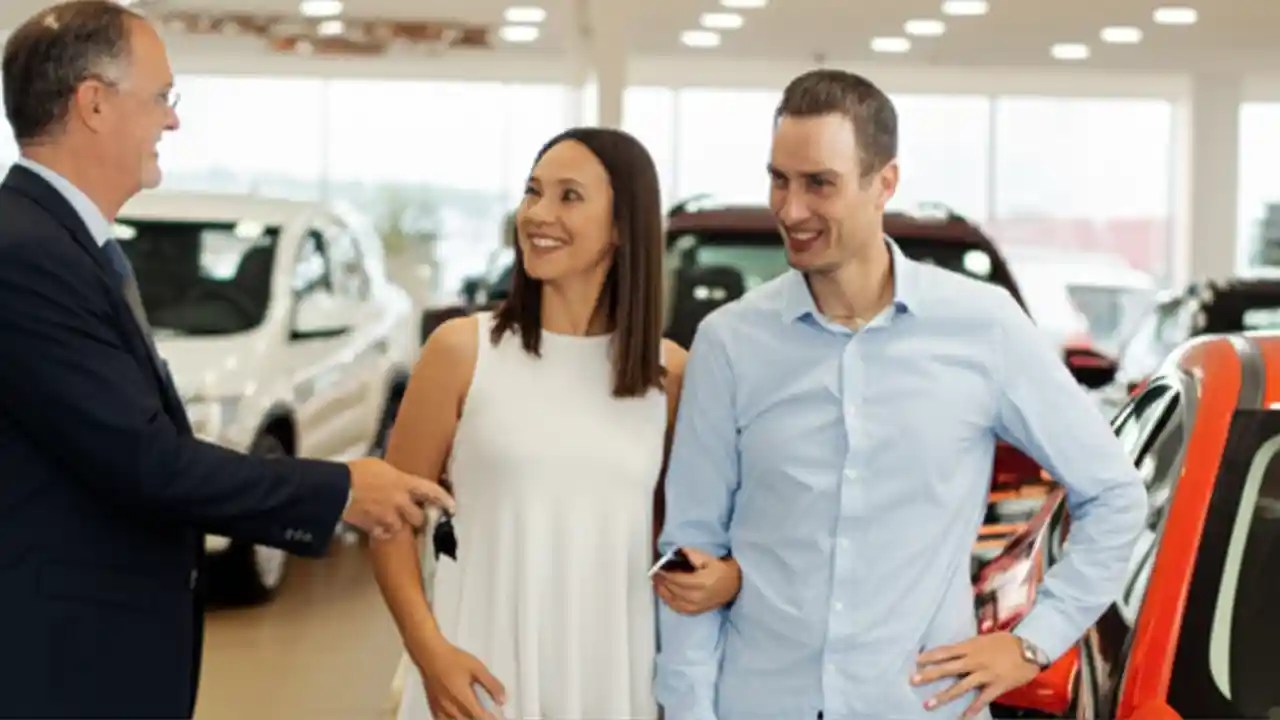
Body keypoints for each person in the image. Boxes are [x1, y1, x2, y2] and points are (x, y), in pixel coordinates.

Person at [0, 2, 453, 718]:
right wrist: (338, 491)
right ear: (92, 102)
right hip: (66, 661)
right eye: (161, 98)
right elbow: (145, 461)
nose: (172, 121)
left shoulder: (60, 242)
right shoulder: (26, 254)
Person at [653, 69, 1147, 720]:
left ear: (884, 182)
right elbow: (692, 551)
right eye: (780, 179)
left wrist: (1032, 643)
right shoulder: (730, 343)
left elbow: (1114, 497)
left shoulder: (984, 328)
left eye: (818, 184)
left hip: (917, 706)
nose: (790, 208)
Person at [371, 126, 738, 720]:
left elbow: (687, 533)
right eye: (533, 192)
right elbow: (390, 523)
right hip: (480, 671)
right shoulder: (462, 352)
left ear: (622, 226)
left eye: (569, 196)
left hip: (615, 677)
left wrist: (723, 576)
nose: (538, 214)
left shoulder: (670, 375)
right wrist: (428, 651)